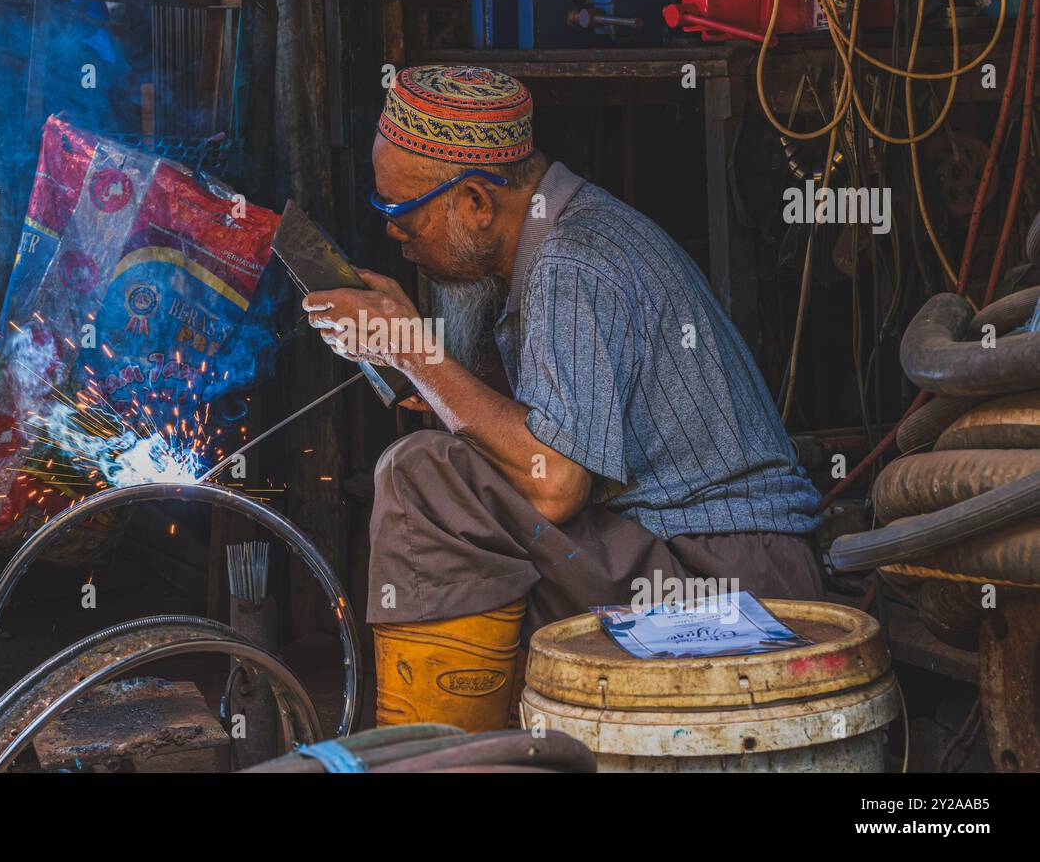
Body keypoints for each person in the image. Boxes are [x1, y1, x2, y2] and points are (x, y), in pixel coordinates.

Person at [303, 65, 823, 731]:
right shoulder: (569, 233)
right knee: (448, 471)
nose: (393, 234)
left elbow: (556, 487)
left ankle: (440, 757)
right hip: (687, 551)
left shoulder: (572, 262)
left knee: (421, 479)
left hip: (725, 577)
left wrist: (413, 349)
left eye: (399, 212)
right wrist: (431, 379)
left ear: (475, 204)